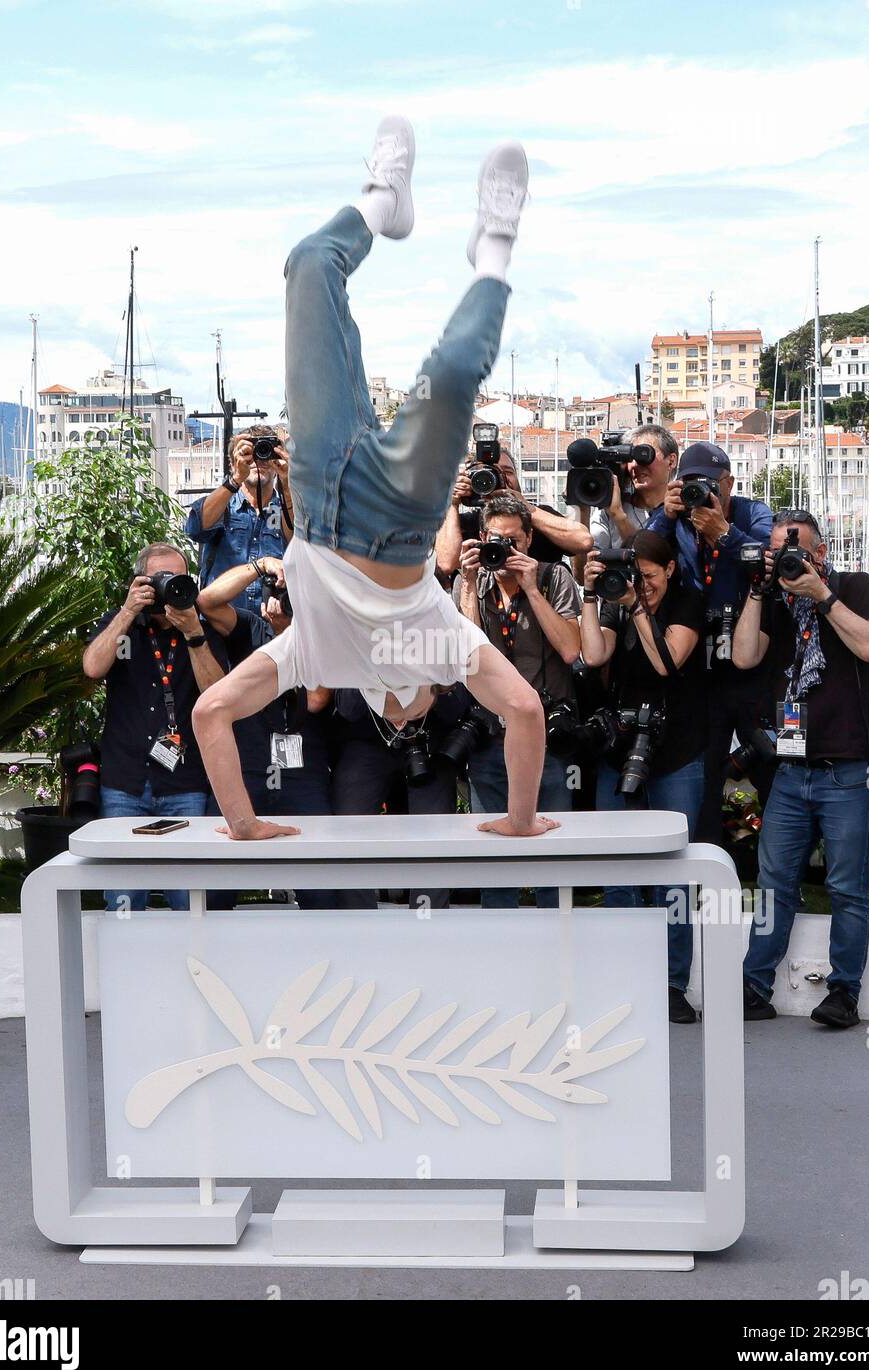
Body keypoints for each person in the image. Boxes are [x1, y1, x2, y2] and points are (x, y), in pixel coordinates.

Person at [194, 117, 553, 843]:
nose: (401, 712)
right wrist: (519, 820)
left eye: (397, 712)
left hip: (319, 492)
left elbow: (209, 715)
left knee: (307, 264)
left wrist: (243, 823)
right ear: (435, 695)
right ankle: (493, 248)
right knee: (453, 375)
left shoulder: (311, 654)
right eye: (411, 712)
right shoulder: (445, 646)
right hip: (396, 515)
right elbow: (523, 710)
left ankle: (381, 200)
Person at [732, 509, 869, 1029]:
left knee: (847, 885)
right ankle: (753, 988)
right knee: (773, 883)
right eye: (775, 550)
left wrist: (819, 592)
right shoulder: (776, 603)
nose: (783, 560)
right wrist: (758, 588)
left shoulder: (854, 586)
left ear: (819, 552)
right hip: (792, 773)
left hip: (848, 769)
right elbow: (744, 657)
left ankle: (844, 994)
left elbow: (867, 645)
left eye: (791, 549)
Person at [580, 530, 707, 1023]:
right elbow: (593, 655)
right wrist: (593, 595)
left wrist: (638, 605)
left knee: (673, 875)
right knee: (618, 869)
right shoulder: (616, 596)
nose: (642, 584)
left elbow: (666, 662)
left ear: (670, 569)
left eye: (649, 576)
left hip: (676, 754)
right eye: (637, 576)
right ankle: (624, 976)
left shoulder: (688, 600)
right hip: (621, 750)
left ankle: (673, 982)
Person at [83, 542, 228, 911]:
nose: (167, 586)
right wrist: (128, 611)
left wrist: (194, 632)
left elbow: (218, 693)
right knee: (124, 898)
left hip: (184, 782)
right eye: (159, 578)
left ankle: (191, 966)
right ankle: (126, 968)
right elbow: (92, 667)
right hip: (125, 784)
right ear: (140, 580)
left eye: (176, 577)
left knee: (188, 897)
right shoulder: (123, 624)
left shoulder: (201, 628)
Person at [454, 493, 581, 907]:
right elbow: (467, 656)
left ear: (528, 541)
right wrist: (470, 584)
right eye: (495, 540)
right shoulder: (471, 580)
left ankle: (558, 952)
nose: (503, 550)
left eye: (512, 541)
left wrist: (530, 587)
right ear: (481, 538)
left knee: (552, 856)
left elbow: (569, 650)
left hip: (546, 734)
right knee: (494, 861)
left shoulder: (553, 576)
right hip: (489, 733)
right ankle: (498, 958)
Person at [646, 441, 774, 844]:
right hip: (701, 667)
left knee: (769, 764)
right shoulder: (675, 519)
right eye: (689, 484)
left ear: (729, 484)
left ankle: (781, 866)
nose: (700, 493)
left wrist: (725, 534)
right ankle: (706, 865)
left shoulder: (753, 513)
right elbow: (644, 557)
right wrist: (663, 519)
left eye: (709, 484)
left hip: (751, 658)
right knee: (706, 772)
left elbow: (766, 558)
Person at [196, 555, 336, 910]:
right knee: (216, 880)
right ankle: (211, 956)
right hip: (246, 771)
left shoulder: (325, 636)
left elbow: (317, 698)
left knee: (319, 884)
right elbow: (207, 601)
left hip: (303, 775)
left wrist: (290, 634)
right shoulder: (249, 628)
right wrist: (261, 567)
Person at [329, 684, 472, 911]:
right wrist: (378, 671)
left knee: (434, 841)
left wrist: (424, 677)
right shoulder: (356, 646)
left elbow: (454, 707)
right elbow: (348, 707)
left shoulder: (437, 646)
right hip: (365, 739)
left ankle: (427, 930)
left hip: (432, 741)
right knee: (348, 831)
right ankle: (357, 928)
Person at [185, 423, 294, 618]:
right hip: (220, 626)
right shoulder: (222, 505)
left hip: (272, 627)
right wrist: (235, 479)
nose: (258, 460)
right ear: (233, 461)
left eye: (264, 451)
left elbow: (297, 542)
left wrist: (287, 481)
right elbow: (196, 529)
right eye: (248, 453)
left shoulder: (285, 509)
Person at [436, 446, 592, 582]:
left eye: (507, 472)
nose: (501, 479)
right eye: (491, 474)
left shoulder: (540, 516)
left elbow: (584, 541)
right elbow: (446, 564)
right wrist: (452, 503)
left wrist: (526, 508)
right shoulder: (467, 523)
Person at [586, 424, 680, 551]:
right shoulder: (607, 513)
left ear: (671, 461)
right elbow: (580, 569)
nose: (635, 464)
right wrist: (580, 509)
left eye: (644, 454)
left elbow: (649, 559)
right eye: (630, 457)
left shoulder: (680, 510)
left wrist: (619, 516)